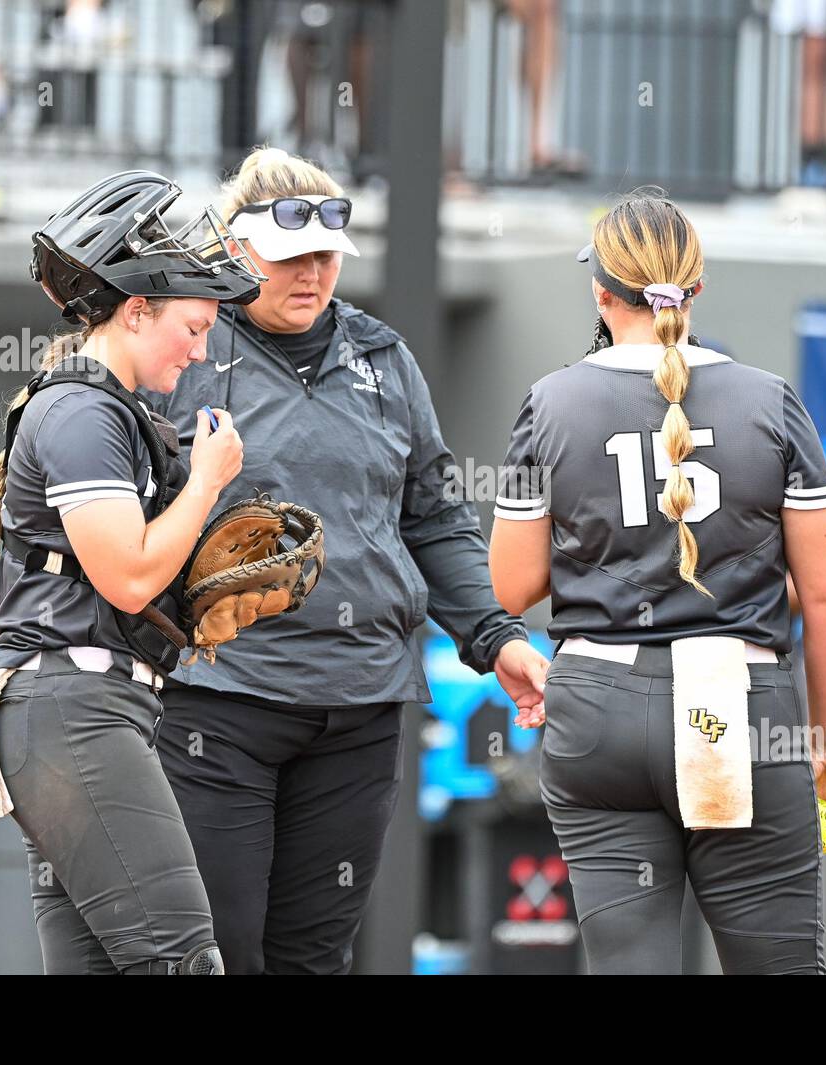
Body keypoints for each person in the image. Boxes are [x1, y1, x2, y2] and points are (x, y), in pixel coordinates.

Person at [137, 146, 549, 975]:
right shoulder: (183, 351)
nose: (314, 273)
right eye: (293, 257)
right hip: (219, 703)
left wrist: (499, 637)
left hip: (359, 707)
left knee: (317, 957)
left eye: (328, 257)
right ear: (235, 249)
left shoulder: (385, 358)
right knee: (215, 952)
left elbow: (434, 519)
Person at [488, 191, 826, 974]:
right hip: (741, 705)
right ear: (697, 287)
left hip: (599, 710)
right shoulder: (771, 400)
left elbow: (512, 586)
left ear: (601, 290)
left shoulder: (551, 401)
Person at [0, 170, 266, 974]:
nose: (203, 347)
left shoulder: (112, 410)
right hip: (71, 708)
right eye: (195, 325)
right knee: (182, 959)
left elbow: (136, 588)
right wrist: (206, 481)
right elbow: (129, 579)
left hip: (86, 706)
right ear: (136, 309)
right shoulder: (82, 410)